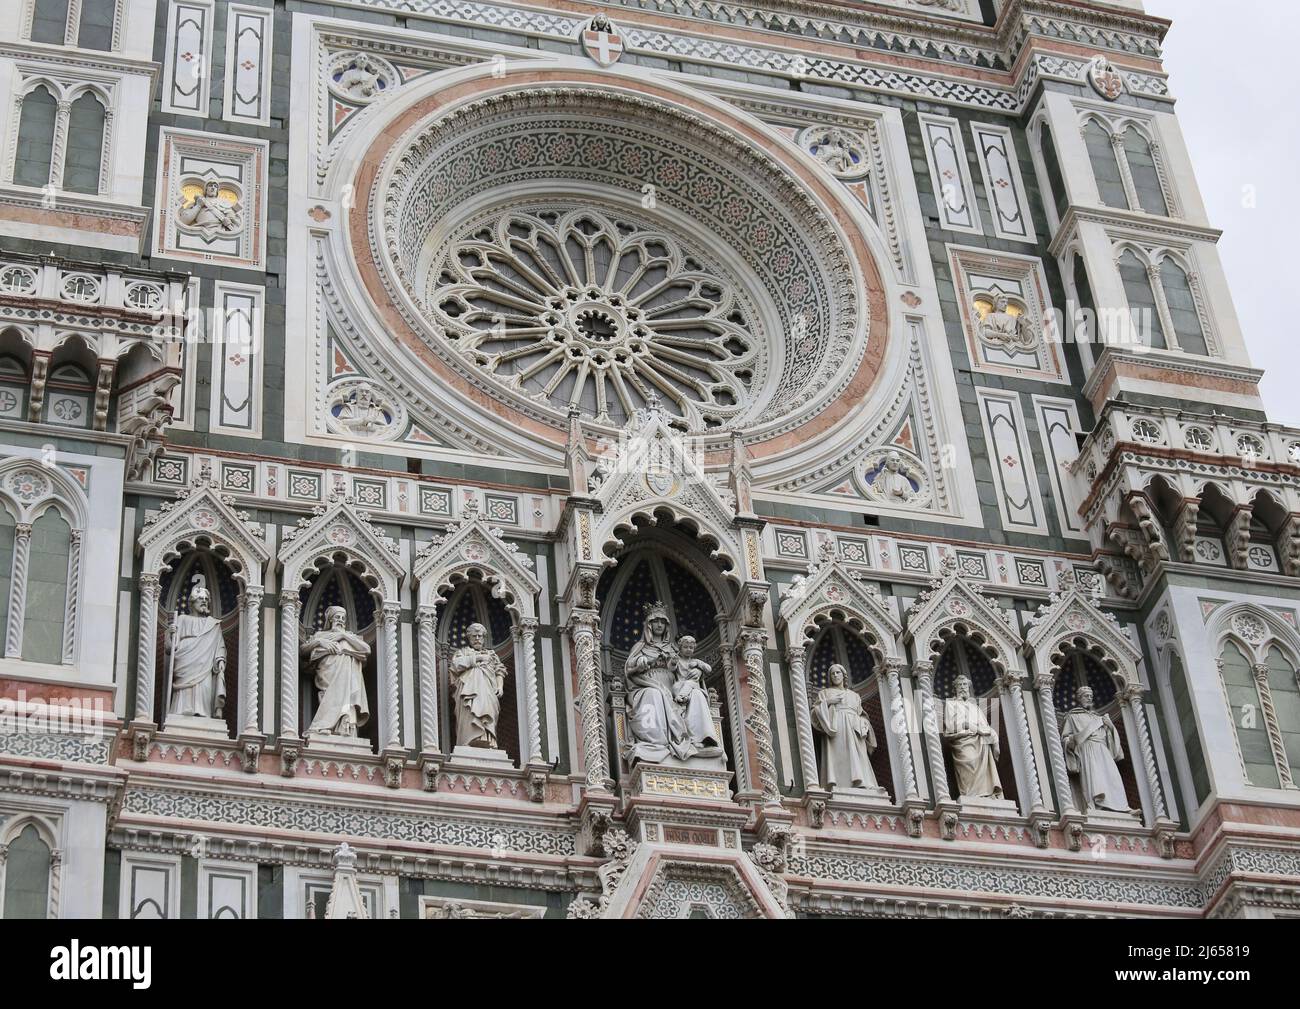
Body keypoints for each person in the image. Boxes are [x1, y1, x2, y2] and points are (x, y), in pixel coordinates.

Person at [304, 606, 371, 737]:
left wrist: (343, 635)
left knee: (346, 697)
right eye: (337, 617)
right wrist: (320, 642)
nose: (340, 620)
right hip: (328, 671)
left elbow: (366, 649)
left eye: (342, 618)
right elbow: (303, 650)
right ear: (330, 619)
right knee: (328, 696)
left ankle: (344, 729)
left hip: (347, 676)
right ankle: (323, 725)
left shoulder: (350, 636)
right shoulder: (321, 635)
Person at [811, 664, 879, 790]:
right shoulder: (824, 693)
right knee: (839, 756)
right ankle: (839, 784)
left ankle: (863, 782)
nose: (835, 675)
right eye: (833, 673)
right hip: (836, 727)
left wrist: (863, 723)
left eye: (838, 673)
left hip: (854, 729)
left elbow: (863, 715)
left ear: (844, 675)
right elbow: (814, 714)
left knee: (858, 756)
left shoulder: (854, 696)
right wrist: (828, 702)